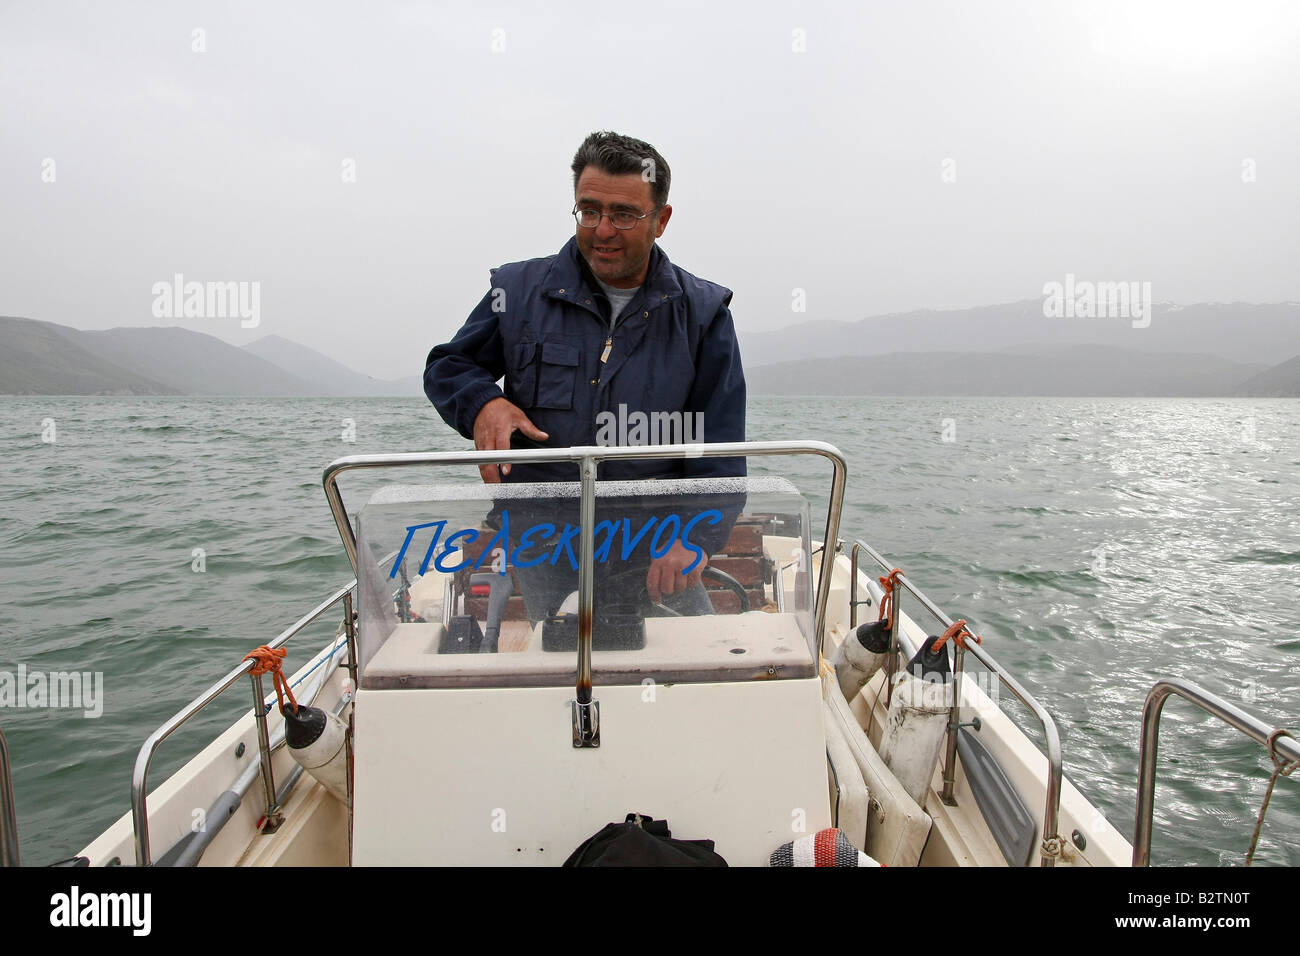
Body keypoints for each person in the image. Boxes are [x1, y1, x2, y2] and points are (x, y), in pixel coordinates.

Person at [424, 131, 746, 623]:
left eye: (623, 214)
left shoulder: (703, 314)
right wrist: (483, 402)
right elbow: (449, 366)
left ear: (661, 220)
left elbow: (718, 445)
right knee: (558, 665)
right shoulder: (517, 290)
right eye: (589, 210)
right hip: (542, 538)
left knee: (688, 669)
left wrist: (694, 538)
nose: (602, 230)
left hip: (655, 543)